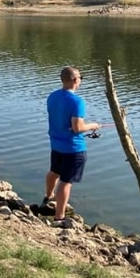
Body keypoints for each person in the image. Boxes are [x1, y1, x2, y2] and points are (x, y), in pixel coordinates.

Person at [42, 66, 100, 223]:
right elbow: (78, 128)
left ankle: (48, 197)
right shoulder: (77, 101)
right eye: (81, 77)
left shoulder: (52, 96)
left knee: (54, 171)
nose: (81, 80)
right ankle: (59, 217)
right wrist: (93, 125)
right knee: (66, 182)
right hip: (73, 149)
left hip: (56, 144)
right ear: (75, 80)